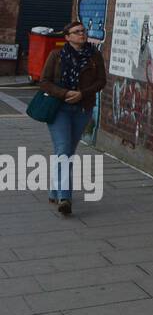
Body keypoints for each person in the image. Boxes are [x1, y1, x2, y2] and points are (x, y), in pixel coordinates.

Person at [38, 20, 106, 216]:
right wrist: (65, 93)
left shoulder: (94, 56)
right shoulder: (56, 56)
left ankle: (54, 191)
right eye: (76, 32)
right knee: (63, 151)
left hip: (82, 109)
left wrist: (82, 93)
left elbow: (101, 81)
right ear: (67, 37)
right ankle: (65, 198)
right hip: (59, 109)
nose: (82, 35)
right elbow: (44, 82)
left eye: (83, 31)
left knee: (67, 151)